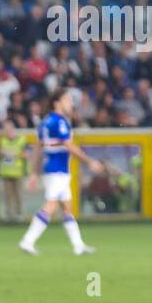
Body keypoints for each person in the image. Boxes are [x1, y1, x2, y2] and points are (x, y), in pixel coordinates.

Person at [17, 91, 102, 255]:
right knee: (50, 206)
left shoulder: (45, 122)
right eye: (67, 100)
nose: (70, 103)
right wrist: (90, 162)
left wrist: (34, 172)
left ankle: (78, 245)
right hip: (58, 171)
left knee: (67, 208)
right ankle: (27, 241)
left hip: (53, 169)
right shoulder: (60, 122)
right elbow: (69, 146)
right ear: (57, 103)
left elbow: (37, 148)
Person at [0, 118, 27, 223]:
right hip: (6, 172)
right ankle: (9, 216)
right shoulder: (2, 140)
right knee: (8, 196)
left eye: (8, 129)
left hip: (18, 172)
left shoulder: (21, 140)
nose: (6, 131)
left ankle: (19, 216)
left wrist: (14, 154)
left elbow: (25, 154)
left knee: (19, 195)